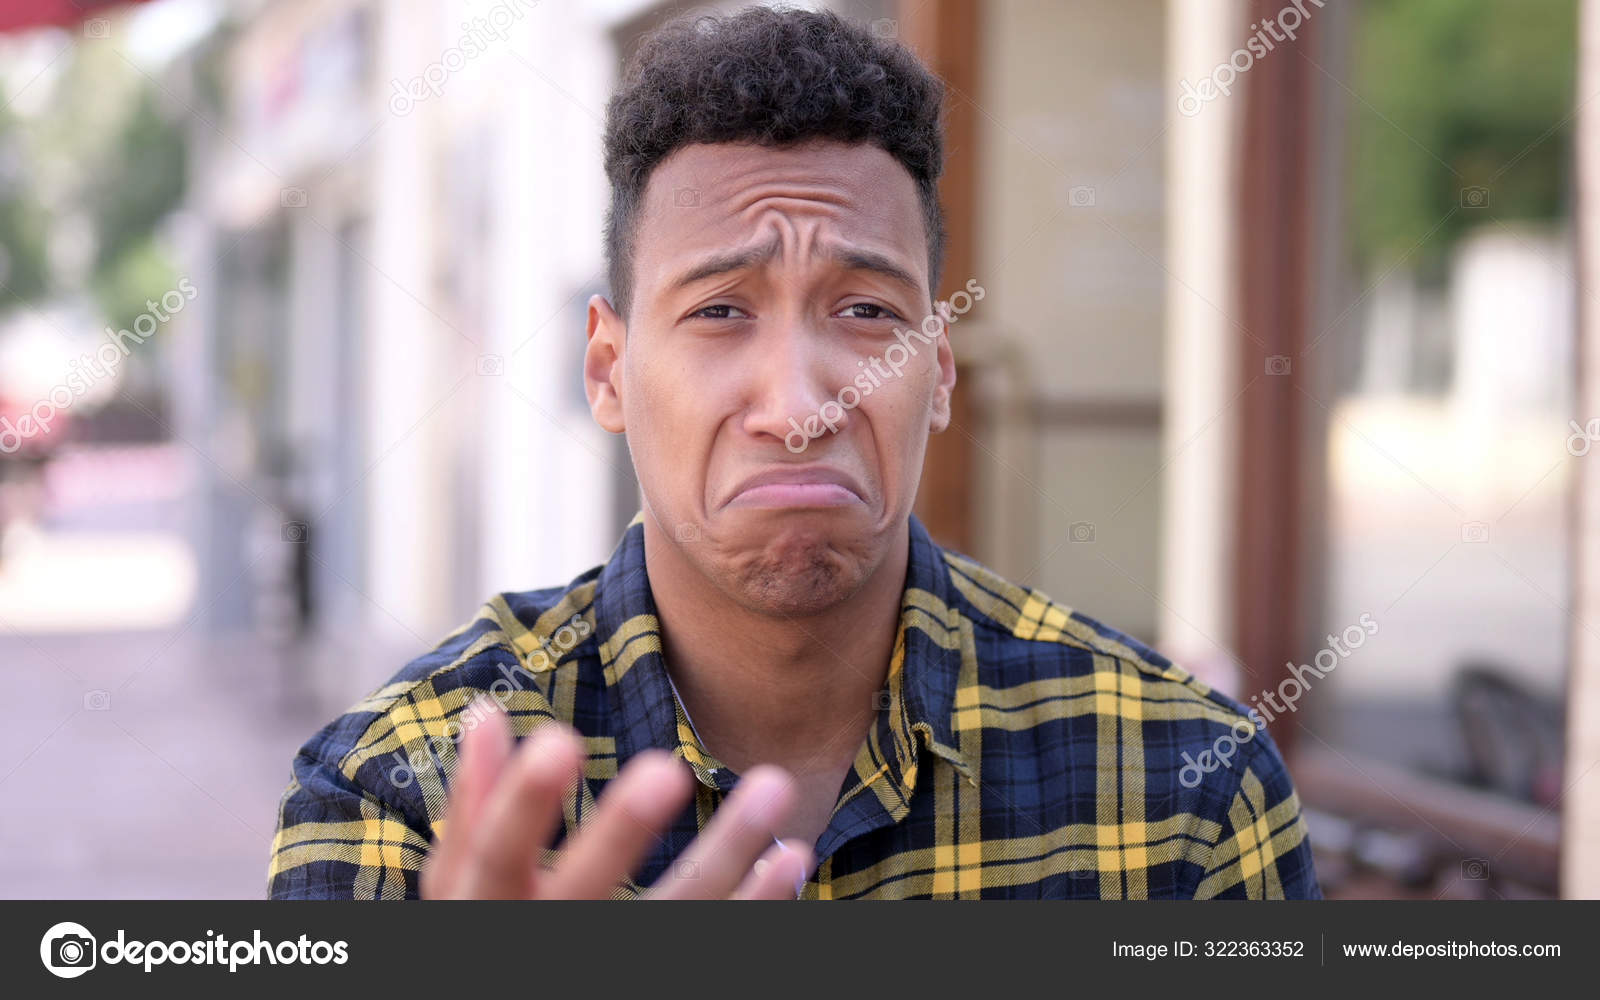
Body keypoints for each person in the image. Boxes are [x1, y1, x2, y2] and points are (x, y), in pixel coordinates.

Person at [269, 6, 1319, 900]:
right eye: (721, 310)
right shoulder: (402, 794)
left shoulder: (1182, 783)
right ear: (607, 370)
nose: (801, 401)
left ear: (940, 371)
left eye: (866, 311)